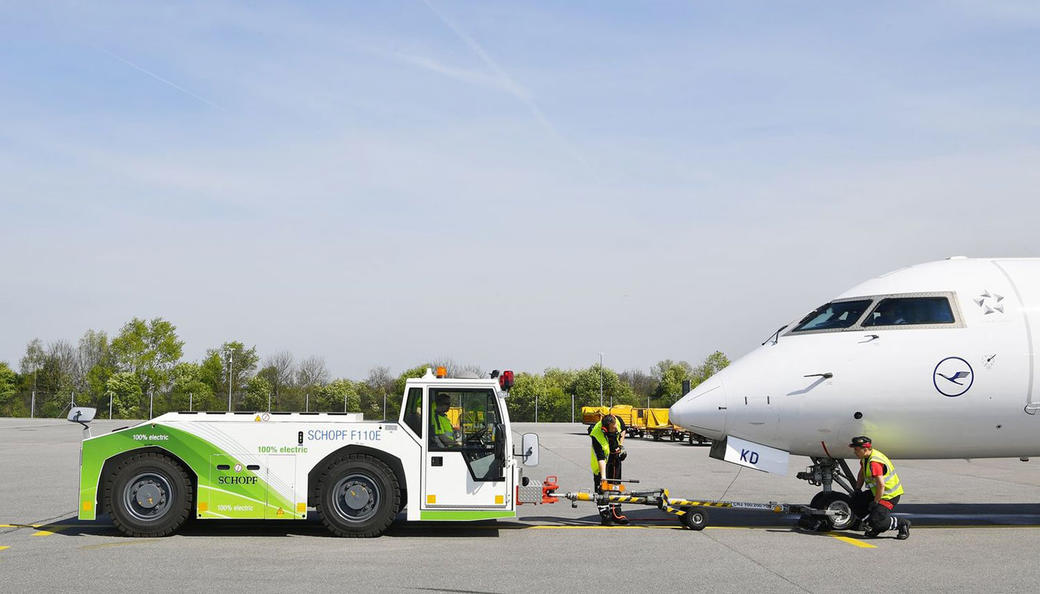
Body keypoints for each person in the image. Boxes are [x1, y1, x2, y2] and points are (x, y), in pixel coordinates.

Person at [849, 435, 910, 539]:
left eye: (856, 449)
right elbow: (861, 474)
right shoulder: (865, 458)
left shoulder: (874, 462)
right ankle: (872, 525)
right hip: (877, 492)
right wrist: (857, 489)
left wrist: (875, 502)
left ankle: (901, 523)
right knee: (854, 501)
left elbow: (881, 485)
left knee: (877, 521)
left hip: (888, 495)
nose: (855, 452)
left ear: (865, 449)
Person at [589, 414, 628, 525]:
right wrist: (603, 478)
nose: (616, 428)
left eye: (616, 425)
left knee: (615, 485)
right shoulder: (596, 435)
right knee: (602, 488)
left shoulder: (617, 420)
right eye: (613, 427)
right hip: (601, 463)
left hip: (615, 458)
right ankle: (605, 515)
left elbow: (623, 430)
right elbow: (601, 459)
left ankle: (616, 513)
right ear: (605, 429)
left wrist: (621, 446)